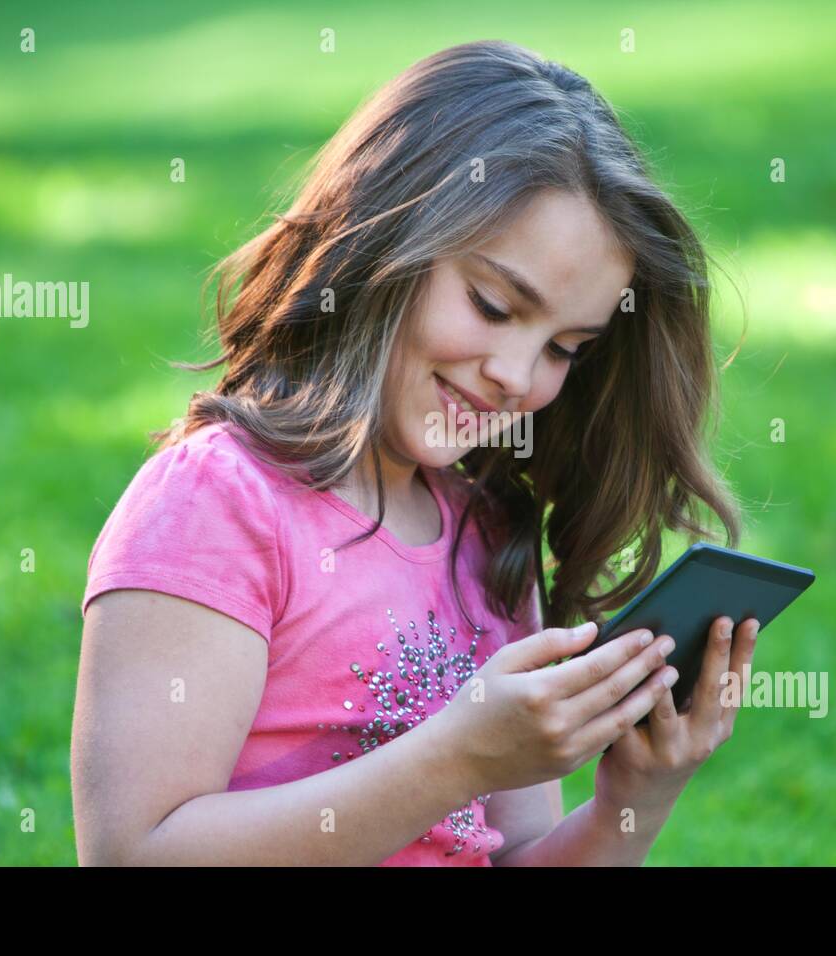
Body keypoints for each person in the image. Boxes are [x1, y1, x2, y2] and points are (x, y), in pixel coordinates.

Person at [70, 39, 758, 867]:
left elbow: (517, 851)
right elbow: (132, 854)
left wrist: (636, 800)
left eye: (565, 348)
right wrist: (457, 757)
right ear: (379, 239)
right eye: (493, 305)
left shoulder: (487, 534)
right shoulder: (218, 502)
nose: (515, 377)